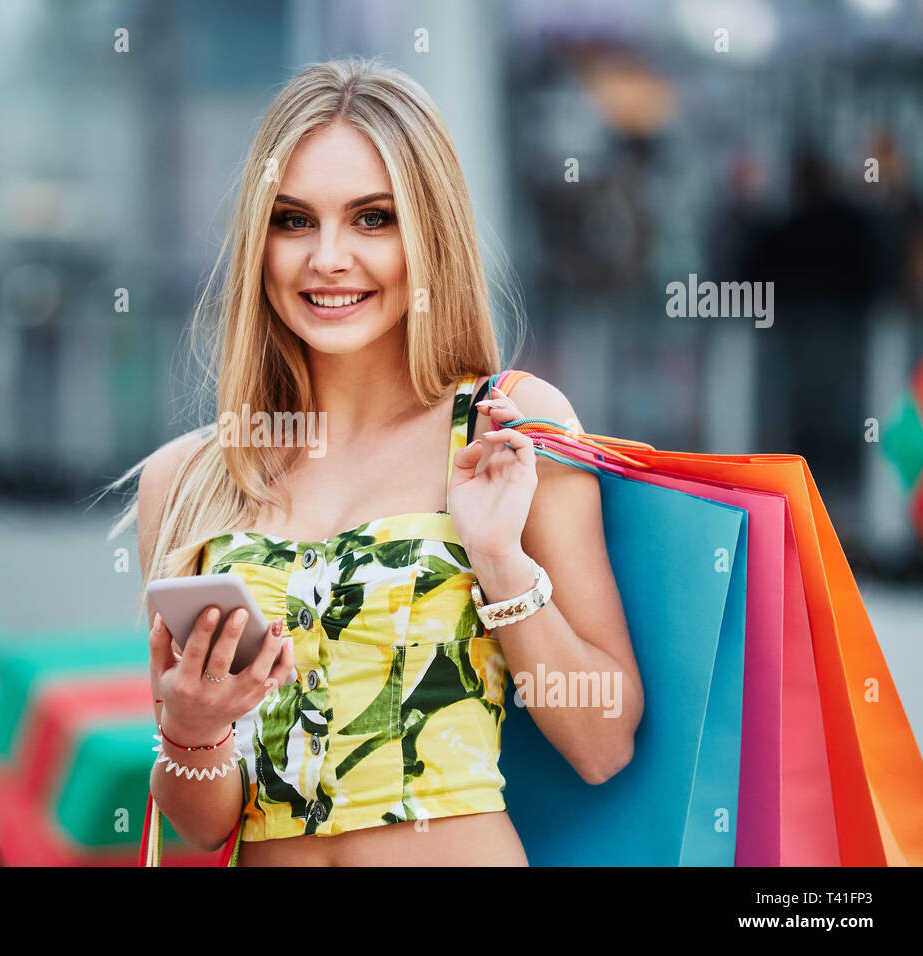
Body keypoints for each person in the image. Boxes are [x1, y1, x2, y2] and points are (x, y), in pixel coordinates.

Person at [108, 57, 642, 866]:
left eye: (372, 219)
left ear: (428, 234)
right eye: (293, 221)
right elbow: (206, 824)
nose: (327, 258)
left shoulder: (506, 427)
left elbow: (605, 743)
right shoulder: (184, 482)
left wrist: (498, 560)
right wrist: (190, 727)